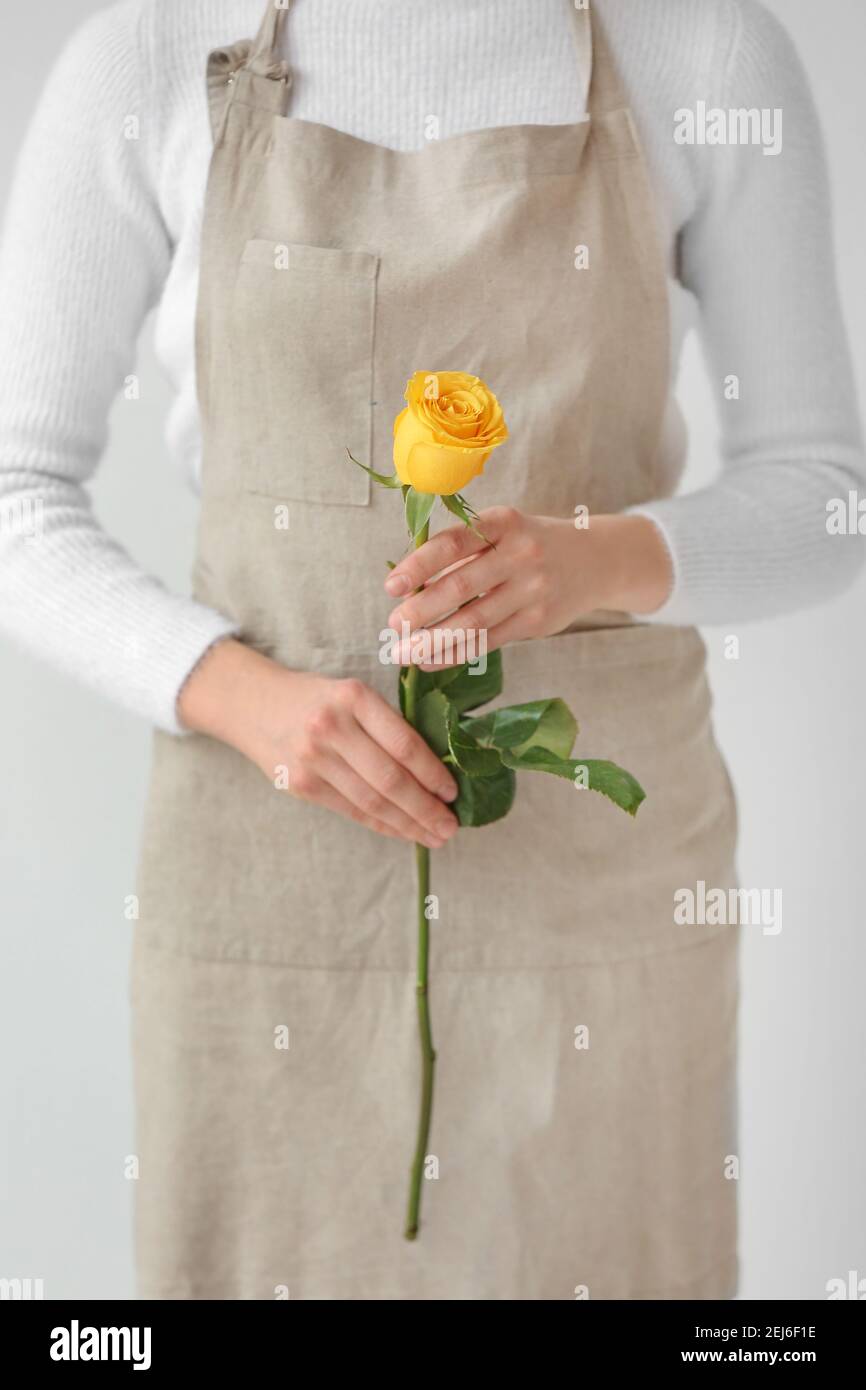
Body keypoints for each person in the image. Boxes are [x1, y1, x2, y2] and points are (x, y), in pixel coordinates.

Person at [0, 0, 862, 1301]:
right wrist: (242, 695)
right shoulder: (152, 56)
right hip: (270, 888)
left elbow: (824, 493)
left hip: (604, 900)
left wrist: (591, 560)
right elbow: (15, 492)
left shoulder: (701, 49)